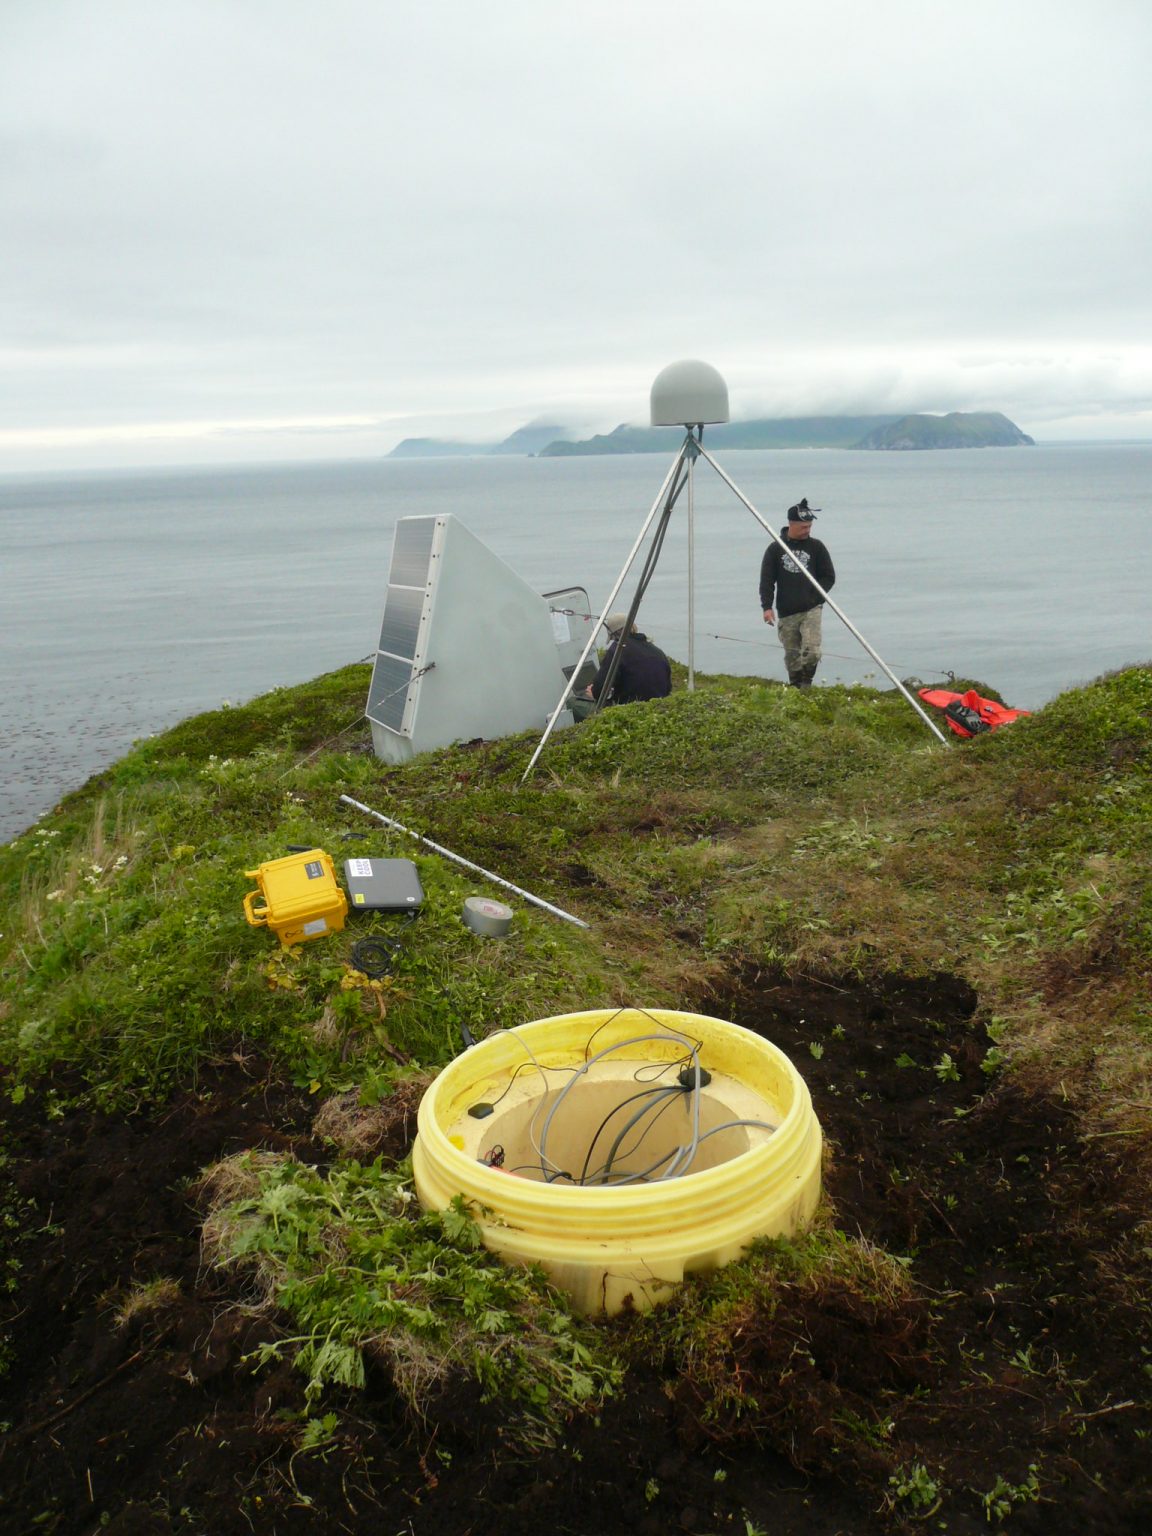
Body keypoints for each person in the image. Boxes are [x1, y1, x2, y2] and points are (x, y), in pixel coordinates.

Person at [759, 498, 836, 688]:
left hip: (811, 609)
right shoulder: (775, 549)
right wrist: (767, 607)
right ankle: (795, 686)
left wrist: (815, 597)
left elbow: (829, 576)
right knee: (792, 654)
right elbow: (767, 580)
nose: (808, 530)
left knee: (812, 651)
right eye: (803, 527)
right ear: (791, 524)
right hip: (787, 610)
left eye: (809, 526)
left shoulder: (817, 547)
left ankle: (806, 684)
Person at [584, 612, 672, 708]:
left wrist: (594, 693)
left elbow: (600, 689)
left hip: (631, 710)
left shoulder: (617, 650)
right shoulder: (657, 651)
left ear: (615, 634)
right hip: (659, 708)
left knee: (576, 705)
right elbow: (668, 688)